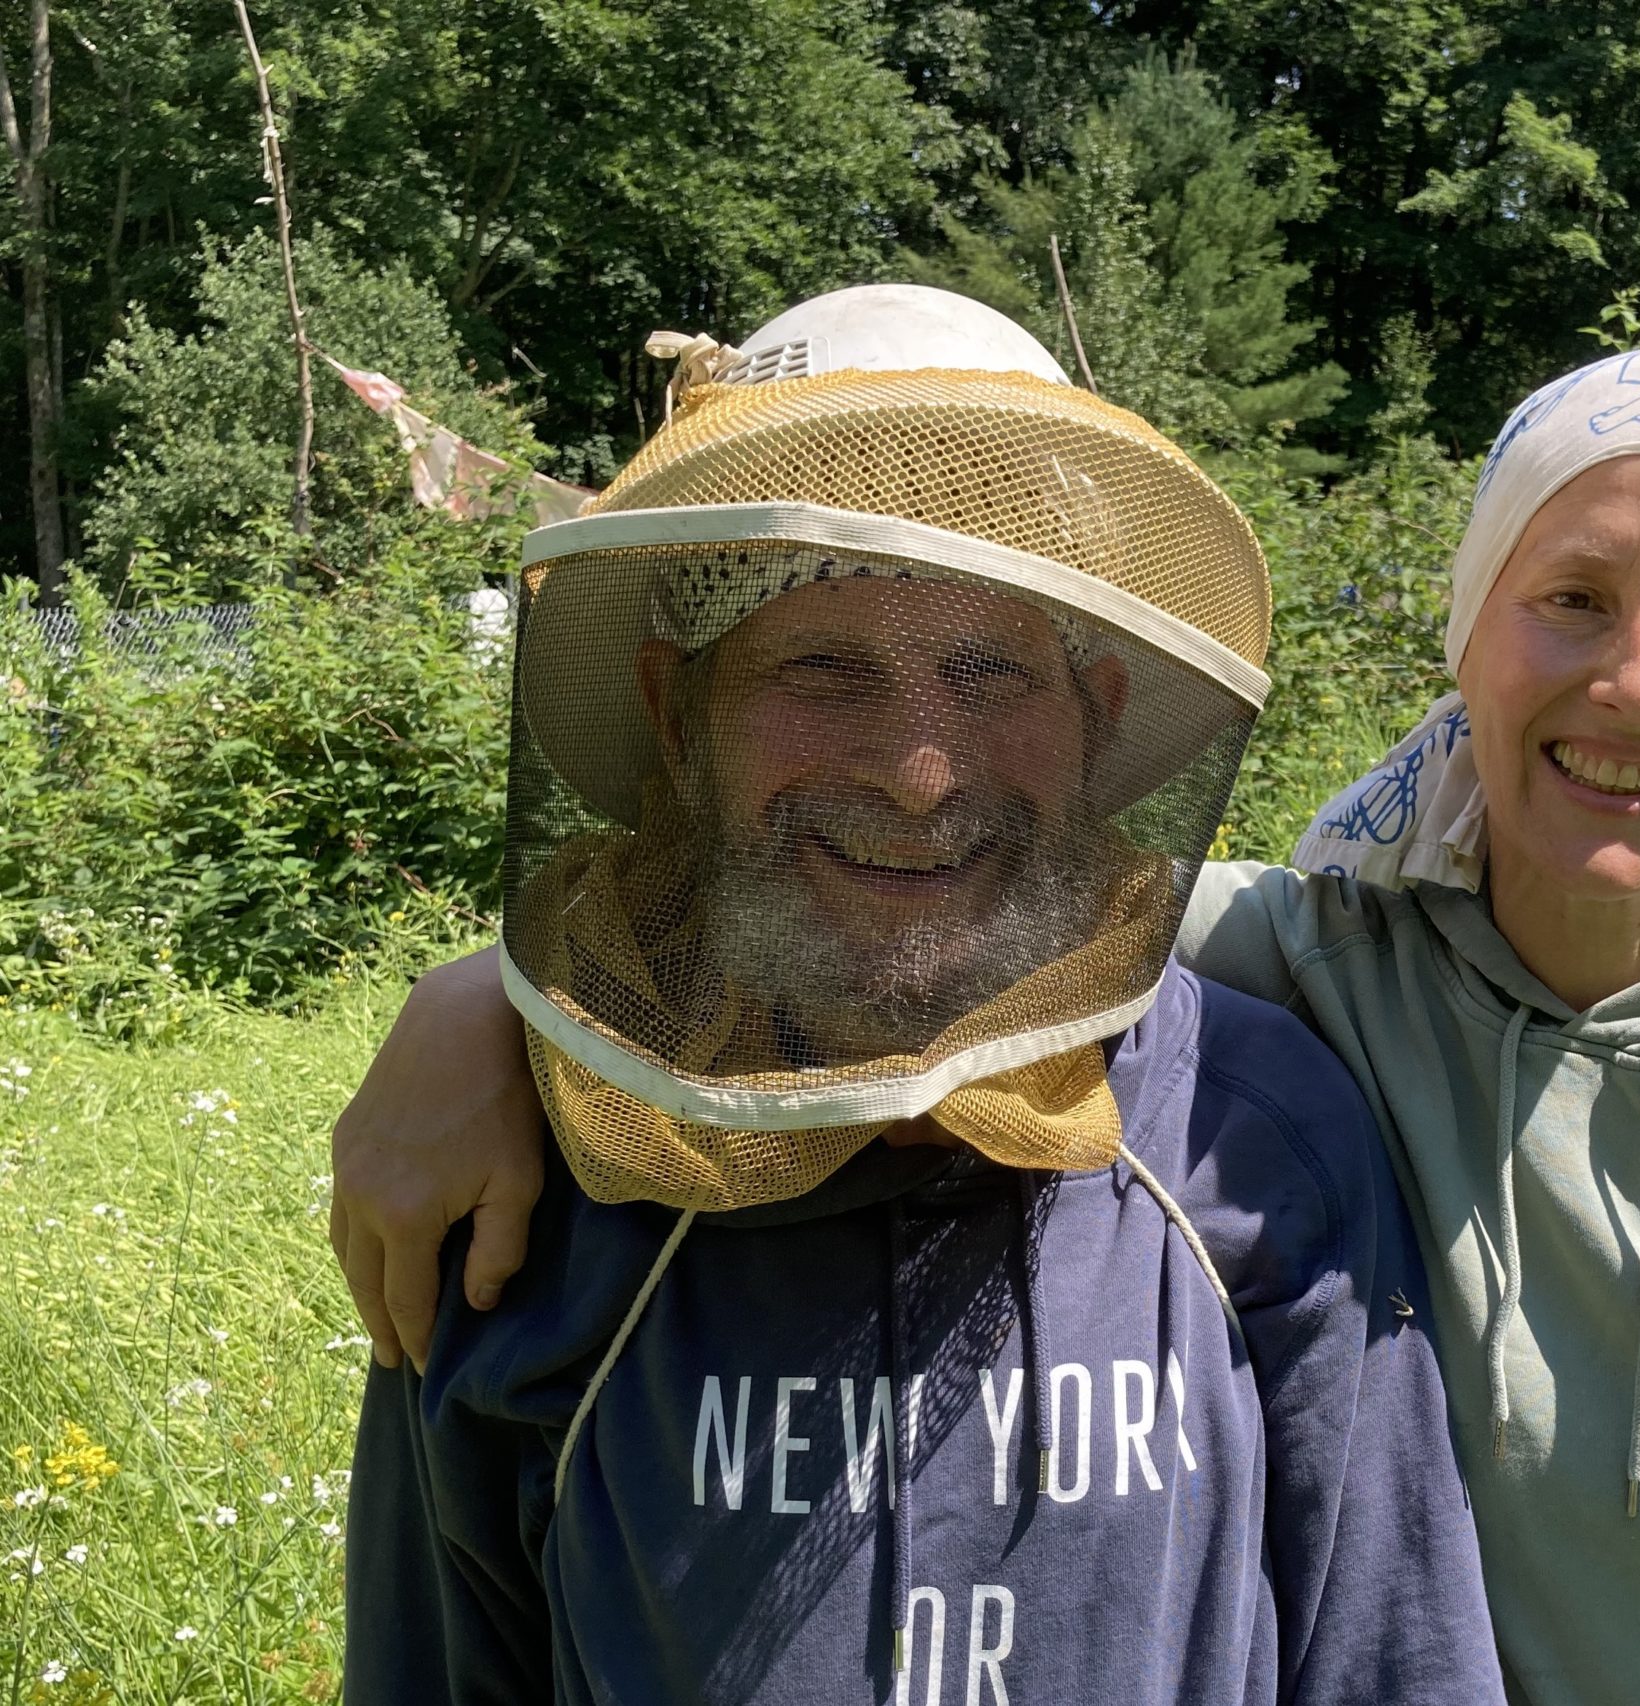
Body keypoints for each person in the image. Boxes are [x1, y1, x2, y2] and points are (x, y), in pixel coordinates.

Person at [336, 341, 1640, 1705]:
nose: (1637, 682)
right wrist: (494, 1003)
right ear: (1468, 631)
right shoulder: (1309, 969)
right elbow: (937, 917)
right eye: (1571, 597)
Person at [340, 285, 1502, 1706]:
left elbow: (1392, 1660)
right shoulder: (522, 1190)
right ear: (674, 713)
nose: (918, 773)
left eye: (991, 669)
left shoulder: (1260, 1138)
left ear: (1098, 715)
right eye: (821, 668)